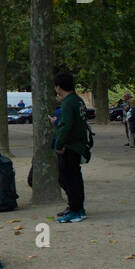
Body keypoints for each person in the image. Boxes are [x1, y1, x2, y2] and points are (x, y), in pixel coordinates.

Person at [53, 71, 88, 222]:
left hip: (70, 146)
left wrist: (59, 143)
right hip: (77, 144)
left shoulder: (68, 102)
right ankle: (75, 206)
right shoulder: (78, 100)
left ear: (59, 87)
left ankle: (76, 209)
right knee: (70, 177)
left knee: (68, 177)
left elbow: (66, 125)